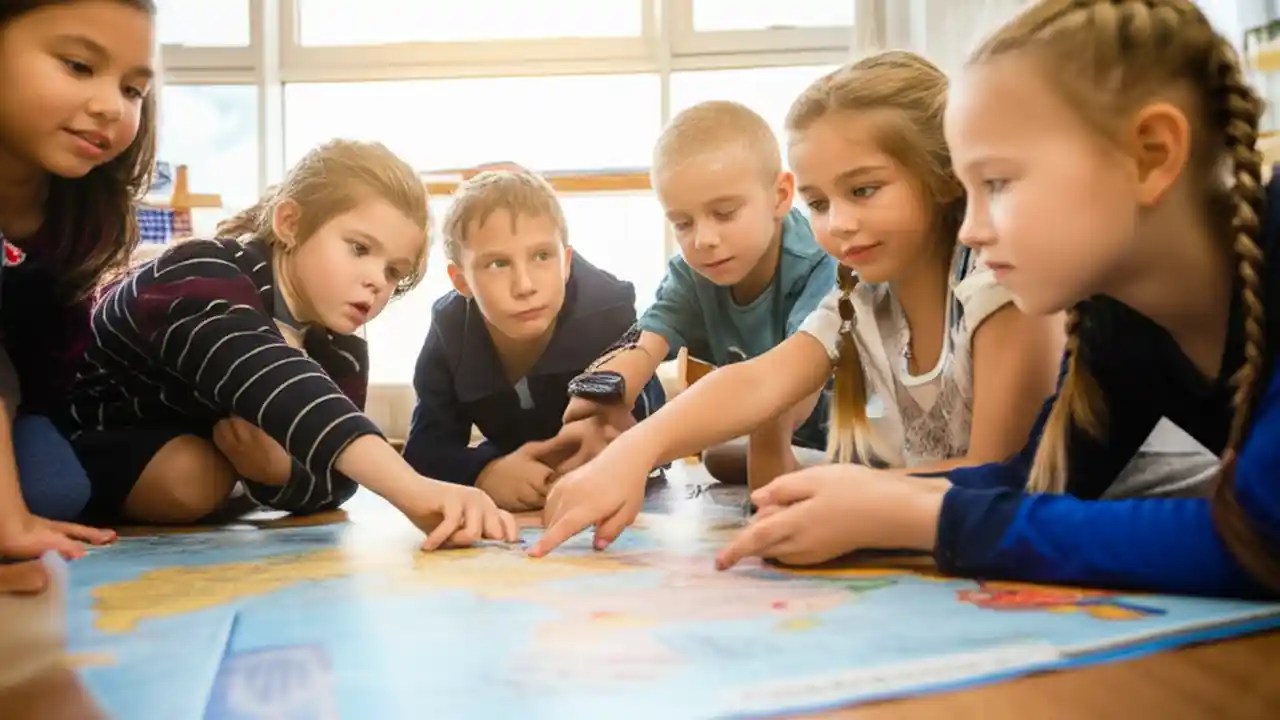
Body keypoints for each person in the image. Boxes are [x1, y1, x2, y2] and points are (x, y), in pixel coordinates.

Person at [65, 139, 516, 549]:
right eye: (360, 249)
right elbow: (275, 377)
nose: (376, 281)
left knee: (228, 467)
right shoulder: (201, 272)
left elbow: (338, 482)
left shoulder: (340, 344)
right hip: (93, 431)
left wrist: (277, 472)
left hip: (197, 452)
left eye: (394, 271)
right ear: (290, 223)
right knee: (193, 476)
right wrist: (414, 489)